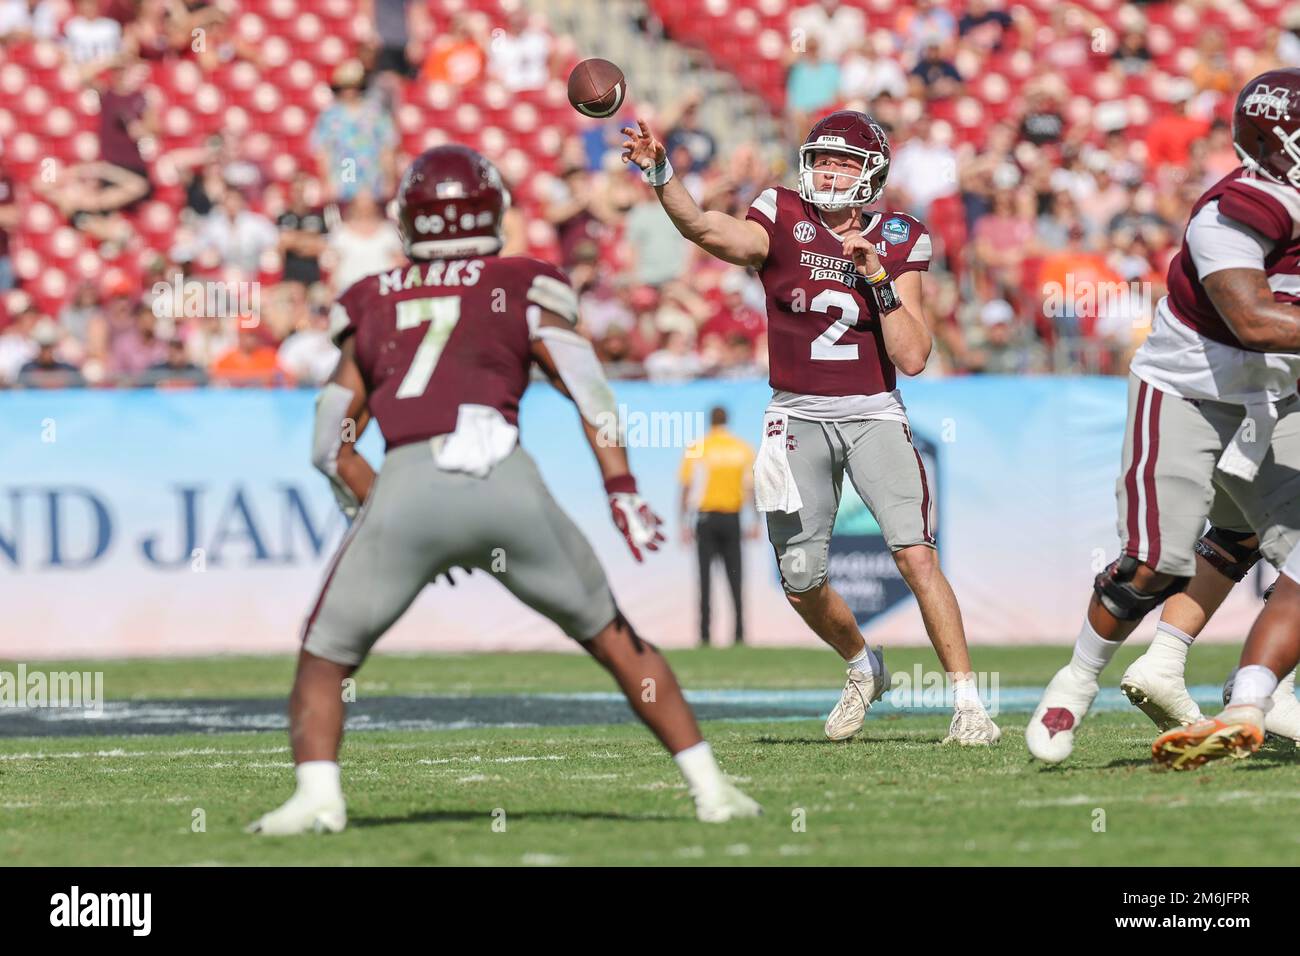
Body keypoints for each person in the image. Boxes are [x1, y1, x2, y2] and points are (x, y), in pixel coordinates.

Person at [247, 146, 760, 835]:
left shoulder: (373, 297)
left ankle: (317, 798)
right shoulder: (524, 283)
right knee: (615, 640)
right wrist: (623, 489)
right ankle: (710, 788)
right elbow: (590, 392)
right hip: (507, 482)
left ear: (408, 220)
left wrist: (388, 511)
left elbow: (326, 443)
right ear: (492, 213)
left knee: (324, 656)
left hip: (407, 480)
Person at [621, 110, 1001, 746]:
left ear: (871, 173)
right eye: (823, 159)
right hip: (796, 413)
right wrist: (662, 174)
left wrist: (876, 275)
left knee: (914, 555)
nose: (830, 171)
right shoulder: (781, 211)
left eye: (845, 162)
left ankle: (967, 703)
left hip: (873, 410)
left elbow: (912, 355)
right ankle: (862, 665)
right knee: (800, 579)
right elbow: (709, 230)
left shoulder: (899, 236)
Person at [1026, 70, 1300, 765]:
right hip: (1190, 391)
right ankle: (1077, 679)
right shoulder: (1234, 212)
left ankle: (1252, 700)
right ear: (1274, 141)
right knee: (1152, 566)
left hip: (1274, 396)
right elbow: (1255, 321)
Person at [680, 407, 756, 647]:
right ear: (727, 420)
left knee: (705, 580)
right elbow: (750, 488)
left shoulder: (699, 447)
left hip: (705, 518)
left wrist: (683, 522)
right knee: (736, 578)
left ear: (710, 420)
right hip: (732, 518)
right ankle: (739, 635)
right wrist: (755, 520)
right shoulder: (741, 448)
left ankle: (704, 636)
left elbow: (687, 487)